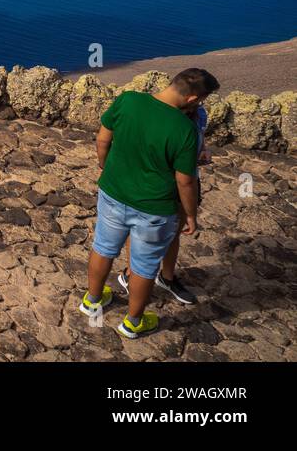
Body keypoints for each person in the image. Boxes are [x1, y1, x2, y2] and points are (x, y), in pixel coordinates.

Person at [79, 67, 219, 339]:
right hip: (155, 209)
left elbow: (102, 139)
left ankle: (92, 300)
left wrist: (106, 168)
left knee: (103, 247)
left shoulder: (128, 100)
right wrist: (191, 215)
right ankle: (133, 322)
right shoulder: (184, 130)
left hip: (113, 192)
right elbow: (185, 181)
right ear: (192, 100)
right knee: (143, 266)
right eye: (201, 101)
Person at [115, 99, 210, 304]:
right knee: (137, 228)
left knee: (174, 231)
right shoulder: (157, 112)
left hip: (185, 179)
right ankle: (130, 274)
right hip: (154, 180)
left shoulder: (200, 114)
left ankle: (167, 277)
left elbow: (199, 145)